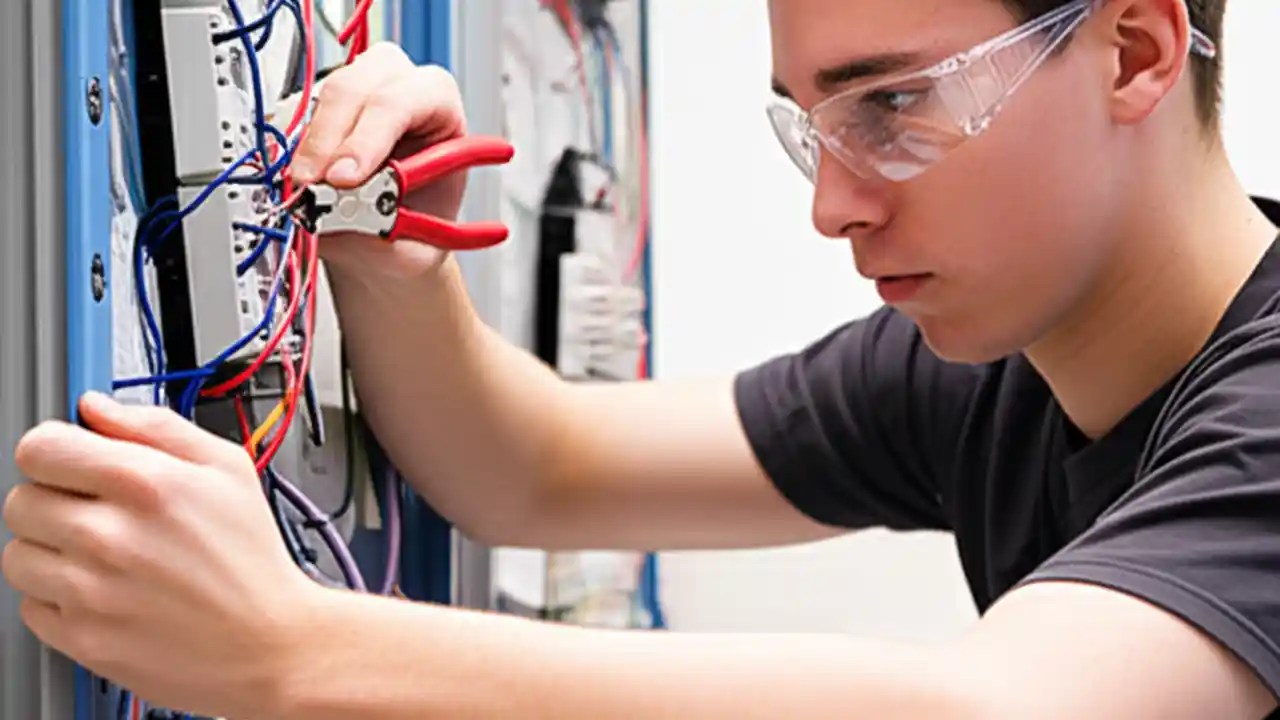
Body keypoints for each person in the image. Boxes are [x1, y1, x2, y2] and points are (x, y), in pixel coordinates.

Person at [4, 0, 1279, 716]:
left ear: (1134, 50)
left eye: (892, 107)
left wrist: (287, 648)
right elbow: (539, 472)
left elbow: (999, 713)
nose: (830, 206)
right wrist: (387, 248)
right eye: (811, 127)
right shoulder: (991, 365)